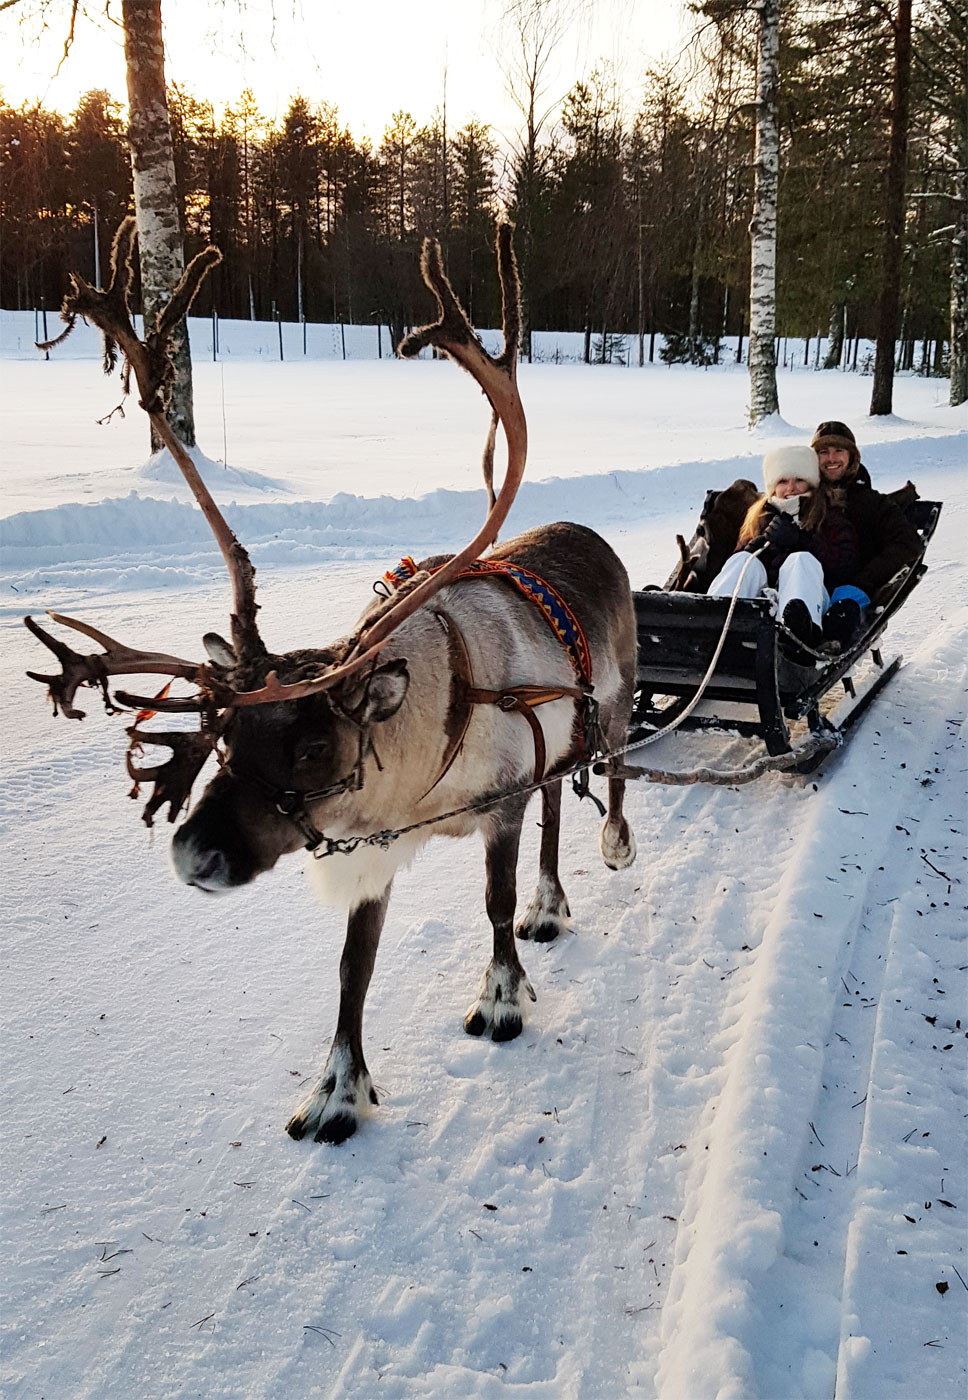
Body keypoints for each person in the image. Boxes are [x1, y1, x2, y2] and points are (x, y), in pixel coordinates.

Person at [707, 444, 830, 656]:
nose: (791, 488)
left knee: (800, 560)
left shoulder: (827, 514)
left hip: (814, 598)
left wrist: (800, 541)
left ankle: (797, 635)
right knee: (743, 561)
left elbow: (843, 565)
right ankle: (712, 623)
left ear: (811, 482)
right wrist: (755, 549)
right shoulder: (759, 516)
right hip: (766, 601)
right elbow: (741, 568)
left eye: (799, 480)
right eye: (783, 481)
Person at [809, 421, 922, 646]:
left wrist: (865, 580)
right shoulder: (803, 496)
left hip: (850, 594)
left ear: (852, 457)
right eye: (823, 452)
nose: (831, 459)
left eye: (839, 451)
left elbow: (908, 543)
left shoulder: (872, 503)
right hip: (806, 585)